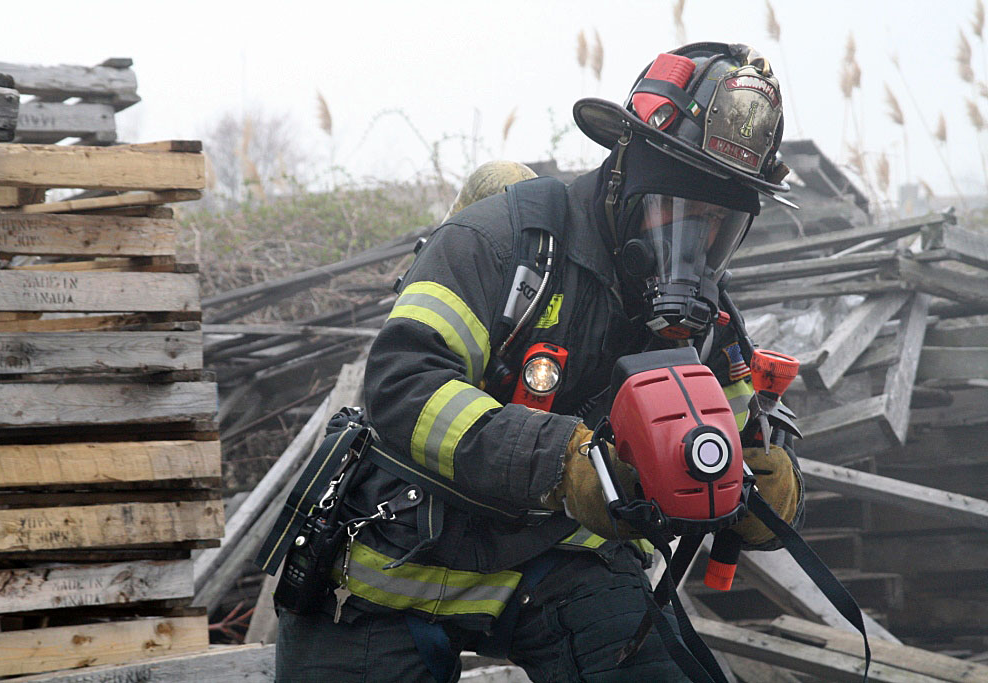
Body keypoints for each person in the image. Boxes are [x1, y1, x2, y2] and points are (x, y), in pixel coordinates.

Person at [275, 41, 805, 683]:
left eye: (720, 224)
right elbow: (405, 386)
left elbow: (739, 441)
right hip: (401, 562)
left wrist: (764, 491)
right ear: (625, 179)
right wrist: (562, 463)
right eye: (680, 211)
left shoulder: (704, 318)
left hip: (560, 564)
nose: (696, 243)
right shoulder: (498, 243)